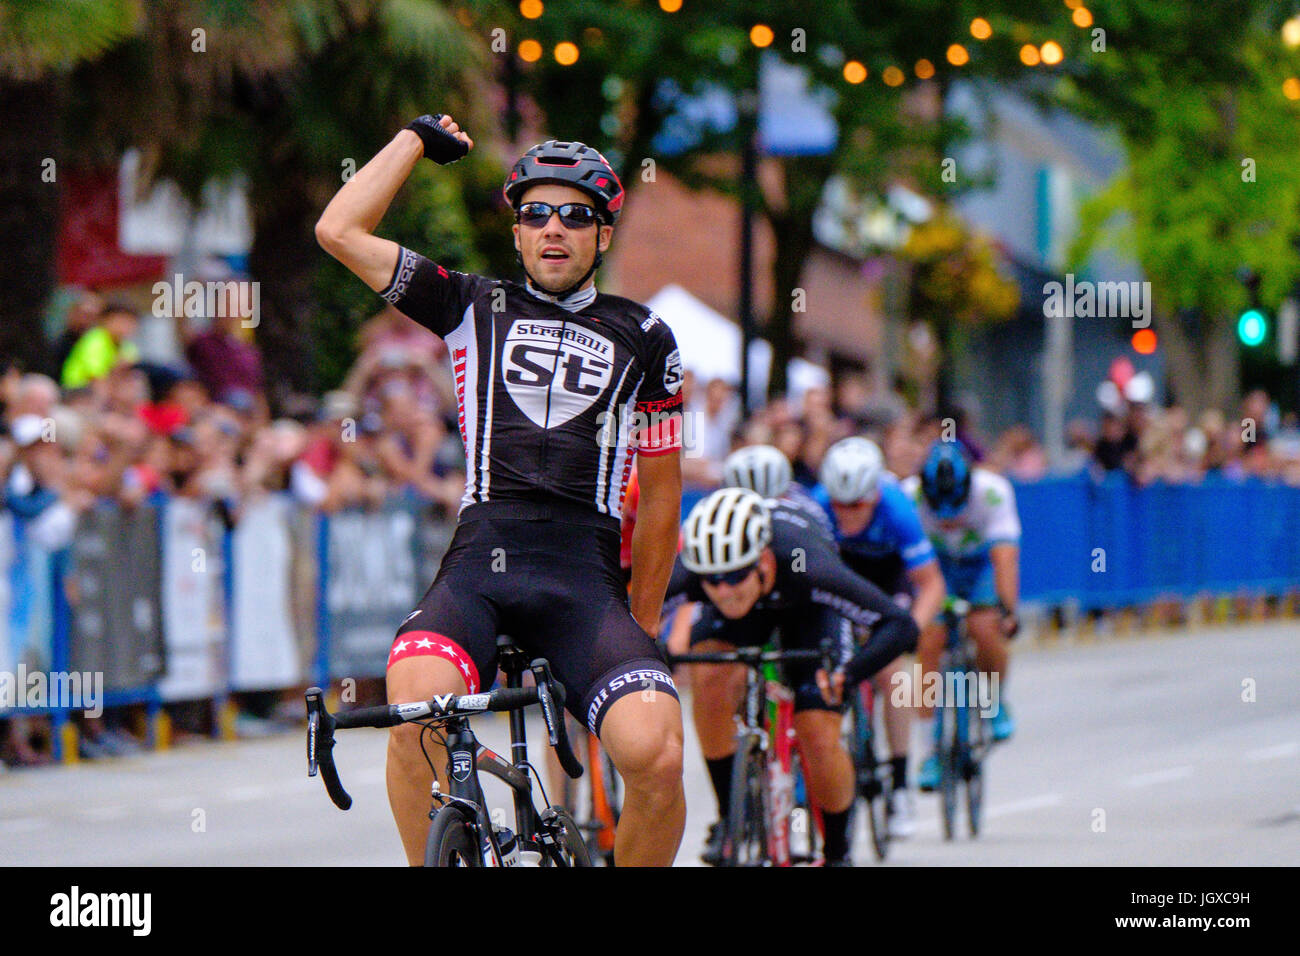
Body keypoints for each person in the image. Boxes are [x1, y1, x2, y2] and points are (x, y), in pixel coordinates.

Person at [316, 114, 686, 866]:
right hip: (480, 561)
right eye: (535, 214)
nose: (554, 229)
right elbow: (340, 230)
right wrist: (414, 141)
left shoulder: (646, 335)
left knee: (657, 754)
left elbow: (664, 499)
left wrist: (643, 625)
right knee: (412, 707)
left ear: (603, 236)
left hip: (584, 580)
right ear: (516, 233)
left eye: (577, 216)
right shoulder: (468, 304)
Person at [665, 487, 919, 866]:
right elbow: (631, 621)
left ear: (763, 561)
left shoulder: (808, 563)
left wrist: (849, 675)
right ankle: (727, 817)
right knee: (711, 678)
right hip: (748, 615)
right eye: (711, 579)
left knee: (817, 729)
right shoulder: (695, 572)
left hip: (808, 611)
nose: (723, 589)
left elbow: (900, 626)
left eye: (734, 576)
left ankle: (837, 851)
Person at [814, 436, 946, 838]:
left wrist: (909, 632)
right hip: (842, 579)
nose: (847, 513)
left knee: (892, 671)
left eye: (857, 505)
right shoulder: (820, 506)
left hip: (889, 580)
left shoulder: (898, 510)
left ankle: (900, 783)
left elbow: (932, 585)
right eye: (840, 504)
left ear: (874, 495)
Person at [901, 441, 1021, 791]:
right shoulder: (909, 498)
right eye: (940, 509)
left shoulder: (993, 493)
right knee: (929, 642)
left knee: (985, 627)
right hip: (935, 568)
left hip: (979, 564)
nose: (948, 519)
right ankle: (930, 749)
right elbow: (902, 566)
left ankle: (995, 701)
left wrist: (1008, 611)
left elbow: (1005, 559)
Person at [61, 303, 140, 389]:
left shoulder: (127, 346)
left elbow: (129, 368)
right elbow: (95, 377)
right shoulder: (94, 340)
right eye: (120, 321)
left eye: (129, 322)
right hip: (77, 389)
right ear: (105, 320)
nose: (124, 327)